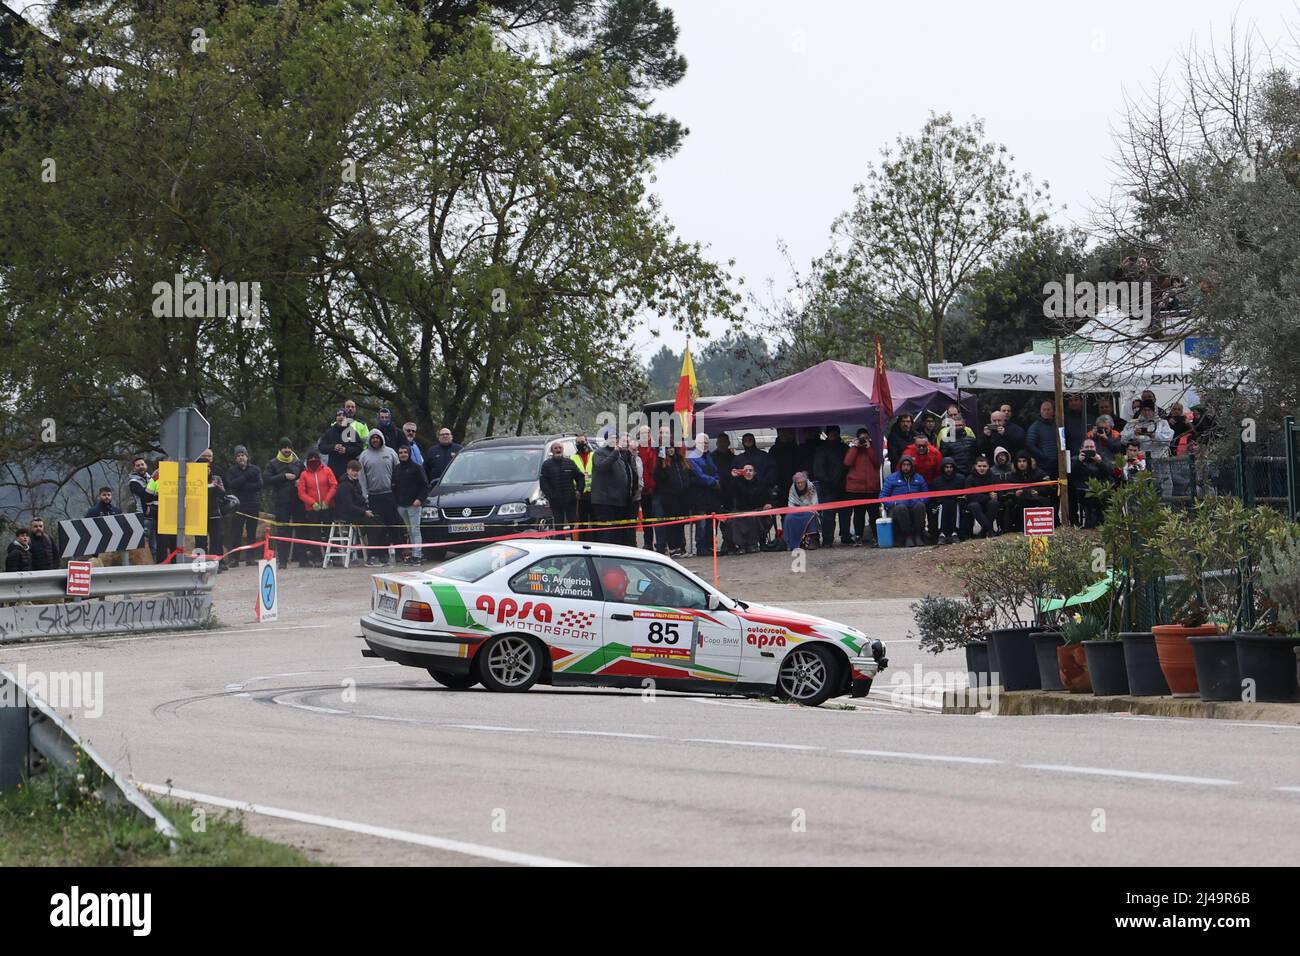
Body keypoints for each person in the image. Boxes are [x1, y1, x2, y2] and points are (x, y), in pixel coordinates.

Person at [359, 432, 402, 566]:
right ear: (370, 440)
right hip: (373, 496)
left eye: (378, 437)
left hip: (390, 494)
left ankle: (400, 552)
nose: (376, 440)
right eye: (373, 438)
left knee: (394, 524)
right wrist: (365, 495)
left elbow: (398, 471)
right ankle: (380, 554)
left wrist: (398, 491)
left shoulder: (390, 452)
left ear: (382, 439)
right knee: (377, 527)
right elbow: (361, 477)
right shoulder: (364, 455)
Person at [265, 438, 306, 569]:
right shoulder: (272, 463)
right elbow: (266, 479)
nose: (287, 450)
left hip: (298, 501)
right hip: (281, 502)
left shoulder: (298, 463)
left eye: (289, 447)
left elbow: (306, 475)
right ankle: (282, 561)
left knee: (301, 529)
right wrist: (283, 477)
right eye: (284, 447)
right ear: (280, 449)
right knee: (283, 530)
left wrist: (300, 481)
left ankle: (303, 559)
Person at [591, 434, 636, 545]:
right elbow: (601, 467)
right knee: (606, 533)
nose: (614, 440)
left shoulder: (621, 455)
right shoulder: (599, 452)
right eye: (611, 438)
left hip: (618, 501)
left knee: (617, 533)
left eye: (616, 438)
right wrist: (615, 453)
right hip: (604, 501)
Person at [812, 425, 851, 547]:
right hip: (827, 487)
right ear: (827, 434)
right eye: (831, 433)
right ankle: (828, 539)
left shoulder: (845, 448)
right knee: (828, 515)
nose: (834, 435)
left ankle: (845, 536)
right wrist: (828, 481)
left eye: (836, 432)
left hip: (844, 486)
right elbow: (818, 469)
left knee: (846, 513)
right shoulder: (821, 449)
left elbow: (849, 466)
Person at [296, 450, 338, 565]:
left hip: (327, 507)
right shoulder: (304, 474)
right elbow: (301, 493)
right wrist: (312, 503)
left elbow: (333, 485)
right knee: (314, 534)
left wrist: (327, 500)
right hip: (312, 509)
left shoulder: (327, 470)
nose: (313, 461)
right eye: (311, 460)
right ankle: (317, 557)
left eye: (316, 459)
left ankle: (334, 556)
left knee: (330, 532)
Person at [225, 445, 264, 567]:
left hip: (253, 504)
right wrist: (246, 478)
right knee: (236, 532)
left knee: (251, 532)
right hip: (238, 506)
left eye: (243, 455)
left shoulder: (255, 469)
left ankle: (250, 557)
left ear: (247, 457)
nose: (241, 458)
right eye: (238, 456)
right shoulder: (232, 471)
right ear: (235, 459)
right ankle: (234, 558)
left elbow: (259, 485)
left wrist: (243, 485)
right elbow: (232, 484)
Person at [843, 428, 881, 546]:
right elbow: (847, 462)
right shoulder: (853, 448)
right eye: (861, 438)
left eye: (865, 437)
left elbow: (877, 462)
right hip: (856, 488)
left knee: (874, 513)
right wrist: (855, 447)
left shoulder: (873, 447)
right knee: (858, 514)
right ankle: (858, 536)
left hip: (872, 487)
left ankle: (876, 536)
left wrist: (869, 447)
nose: (863, 440)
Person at [686, 433, 723, 556]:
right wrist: (714, 482)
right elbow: (699, 475)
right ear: (696, 443)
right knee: (701, 524)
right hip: (699, 497)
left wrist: (717, 480)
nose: (705, 444)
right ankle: (701, 547)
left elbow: (715, 471)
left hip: (712, 497)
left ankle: (710, 546)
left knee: (711, 524)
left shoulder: (710, 457)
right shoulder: (692, 458)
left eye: (706, 442)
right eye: (702, 442)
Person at [723, 464, 772, 554]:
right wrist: (734, 478)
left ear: (754, 472)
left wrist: (768, 504)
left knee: (753, 519)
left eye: (750, 470)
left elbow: (767, 498)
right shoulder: (737, 482)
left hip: (756, 509)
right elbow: (730, 493)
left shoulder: (760, 483)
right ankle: (740, 546)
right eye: (746, 470)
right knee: (733, 521)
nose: (748, 472)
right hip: (740, 510)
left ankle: (752, 545)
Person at [880, 455, 928, 547]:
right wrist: (894, 503)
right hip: (897, 507)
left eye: (908, 465)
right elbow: (883, 496)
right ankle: (907, 536)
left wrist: (919, 500)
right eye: (904, 465)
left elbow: (926, 494)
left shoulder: (919, 478)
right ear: (900, 466)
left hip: (914, 505)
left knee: (920, 506)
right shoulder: (892, 478)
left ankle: (917, 535)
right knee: (901, 508)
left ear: (912, 466)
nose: (906, 467)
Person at [540, 441, 584, 539]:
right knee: (558, 526)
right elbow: (543, 483)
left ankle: (576, 545)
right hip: (556, 502)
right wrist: (551, 495)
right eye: (555, 448)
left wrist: (579, 490)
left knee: (574, 525)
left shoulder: (570, 462)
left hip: (570, 500)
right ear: (552, 451)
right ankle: (561, 545)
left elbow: (580, 477)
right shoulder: (546, 465)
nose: (558, 450)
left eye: (560, 448)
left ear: (563, 450)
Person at [654, 444, 691, 557]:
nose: (670, 450)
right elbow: (658, 477)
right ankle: (674, 548)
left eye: (671, 447)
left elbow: (687, 474)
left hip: (682, 497)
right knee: (672, 525)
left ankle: (681, 547)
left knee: (680, 524)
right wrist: (660, 463)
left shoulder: (681, 461)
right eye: (667, 448)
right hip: (669, 498)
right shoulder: (663, 462)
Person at [392, 443, 427, 564]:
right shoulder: (396, 469)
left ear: (409, 453)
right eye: (401, 453)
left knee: (415, 530)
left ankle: (418, 555)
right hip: (401, 505)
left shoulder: (417, 468)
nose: (403, 454)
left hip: (414, 504)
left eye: (405, 452)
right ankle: (413, 553)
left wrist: (420, 499)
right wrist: (397, 502)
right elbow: (394, 486)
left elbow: (424, 485)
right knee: (409, 530)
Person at [335, 459, 373, 562]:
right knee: (374, 526)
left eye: (357, 470)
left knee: (377, 521)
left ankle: (374, 554)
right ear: (348, 470)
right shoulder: (344, 486)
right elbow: (348, 506)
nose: (355, 473)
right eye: (353, 470)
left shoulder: (356, 483)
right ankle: (372, 555)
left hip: (357, 513)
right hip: (348, 515)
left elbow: (359, 500)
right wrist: (364, 512)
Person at [1070, 437, 1113, 528]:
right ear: (1082, 449)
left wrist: (1100, 462)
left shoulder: (1101, 457)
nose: (1089, 449)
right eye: (1087, 447)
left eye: (1091, 447)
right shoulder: (1075, 459)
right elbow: (1072, 475)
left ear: (1095, 448)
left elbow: (1109, 472)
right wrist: (1079, 462)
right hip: (1083, 490)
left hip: (1100, 490)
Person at [1008, 451, 1051, 531]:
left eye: (1024, 461)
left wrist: (1038, 491)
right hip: (1020, 500)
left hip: (1036, 497)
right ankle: (1021, 526)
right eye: (1019, 461)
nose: (1022, 464)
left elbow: (1047, 485)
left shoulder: (1038, 472)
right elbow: (1007, 490)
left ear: (1028, 462)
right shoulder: (1012, 476)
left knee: (1044, 500)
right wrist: (1014, 493)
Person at [929, 457, 968, 544]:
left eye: (951, 467)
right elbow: (933, 498)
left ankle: (955, 533)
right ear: (943, 468)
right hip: (941, 505)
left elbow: (965, 494)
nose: (949, 469)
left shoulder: (961, 479)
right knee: (944, 505)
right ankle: (942, 534)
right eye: (946, 467)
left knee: (954, 504)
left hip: (957, 504)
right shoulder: (936, 481)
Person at [319, 408, 363, 482]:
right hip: (333, 472)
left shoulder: (352, 432)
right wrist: (333, 447)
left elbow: (359, 448)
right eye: (339, 415)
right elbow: (321, 447)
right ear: (336, 418)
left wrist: (346, 450)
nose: (341, 417)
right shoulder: (329, 432)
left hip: (350, 471)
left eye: (344, 415)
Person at [128, 456, 159, 559]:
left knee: (157, 543)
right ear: (134, 468)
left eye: (142, 464)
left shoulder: (150, 478)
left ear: (146, 465)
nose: (141, 467)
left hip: (155, 514)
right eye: (138, 465)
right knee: (148, 543)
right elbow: (145, 495)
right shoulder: (133, 482)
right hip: (144, 515)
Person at [964, 456, 1000, 538]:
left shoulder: (993, 477)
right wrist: (987, 497)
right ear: (975, 466)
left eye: (984, 466)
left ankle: (983, 531)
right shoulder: (970, 478)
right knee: (974, 505)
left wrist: (996, 495)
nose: (982, 468)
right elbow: (970, 495)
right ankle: (989, 530)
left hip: (989, 503)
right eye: (979, 466)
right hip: (975, 503)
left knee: (994, 503)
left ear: (988, 467)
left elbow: (999, 491)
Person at [636, 425, 659, 551]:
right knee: (646, 518)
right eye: (642, 434)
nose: (645, 436)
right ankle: (648, 542)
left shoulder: (655, 448)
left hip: (655, 489)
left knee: (658, 517)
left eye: (647, 433)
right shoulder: (637, 449)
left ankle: (661, 542)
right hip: (643, 490)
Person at [784, 472, 820, 550]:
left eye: (801, 482)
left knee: (810, 516)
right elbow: (790, 503)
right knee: (788, 518)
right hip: (796, 510)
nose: (800, 485)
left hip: (809, 509)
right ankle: (792, 543)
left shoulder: (811, 487)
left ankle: (812, 540)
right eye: (798, 483)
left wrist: (806, 508)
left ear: (805, 482)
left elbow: (814, 502)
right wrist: (796, 510)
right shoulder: (792, 488)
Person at [1026, 400, 1061, 479]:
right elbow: (1030, 445)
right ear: (1040, 411)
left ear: (1053, 411)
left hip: (1059, 464)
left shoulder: (1058, 424)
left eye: (1048, 410)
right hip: (1044, 465)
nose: (1046, 412)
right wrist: (1043, 456)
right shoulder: (1035, 427)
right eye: (1044, 410)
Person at [712, 432, 738, 512]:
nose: (722, 444)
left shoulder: (734, 458)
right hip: (716, 491)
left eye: (724, 442)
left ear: (728, 443)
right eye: (720, 442)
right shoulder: (711, 457)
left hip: (731, 491)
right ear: (717, 443)